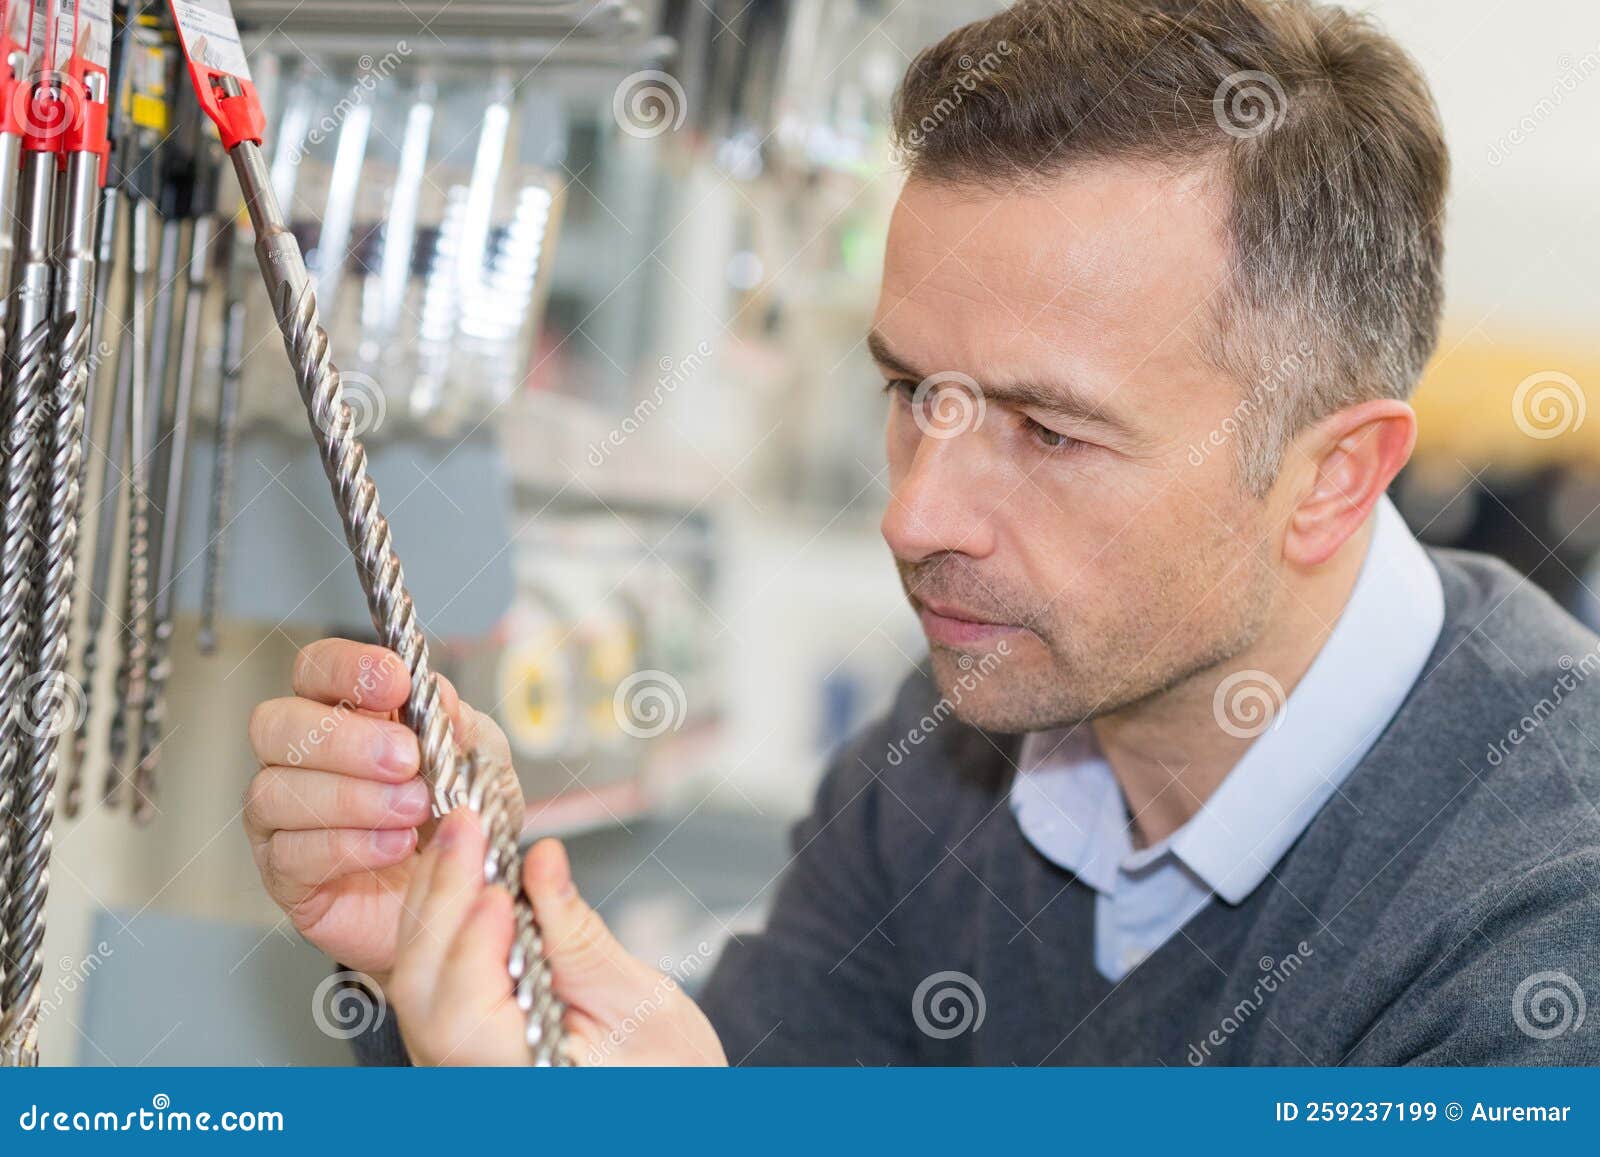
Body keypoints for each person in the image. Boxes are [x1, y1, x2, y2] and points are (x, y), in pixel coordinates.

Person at [243, 0, 1600, 1065]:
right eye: (911, 394)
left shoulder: (1543, 914)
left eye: (1049, 432)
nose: (916, 515)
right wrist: (458, 950)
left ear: (1332, 479)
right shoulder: (959, 764)